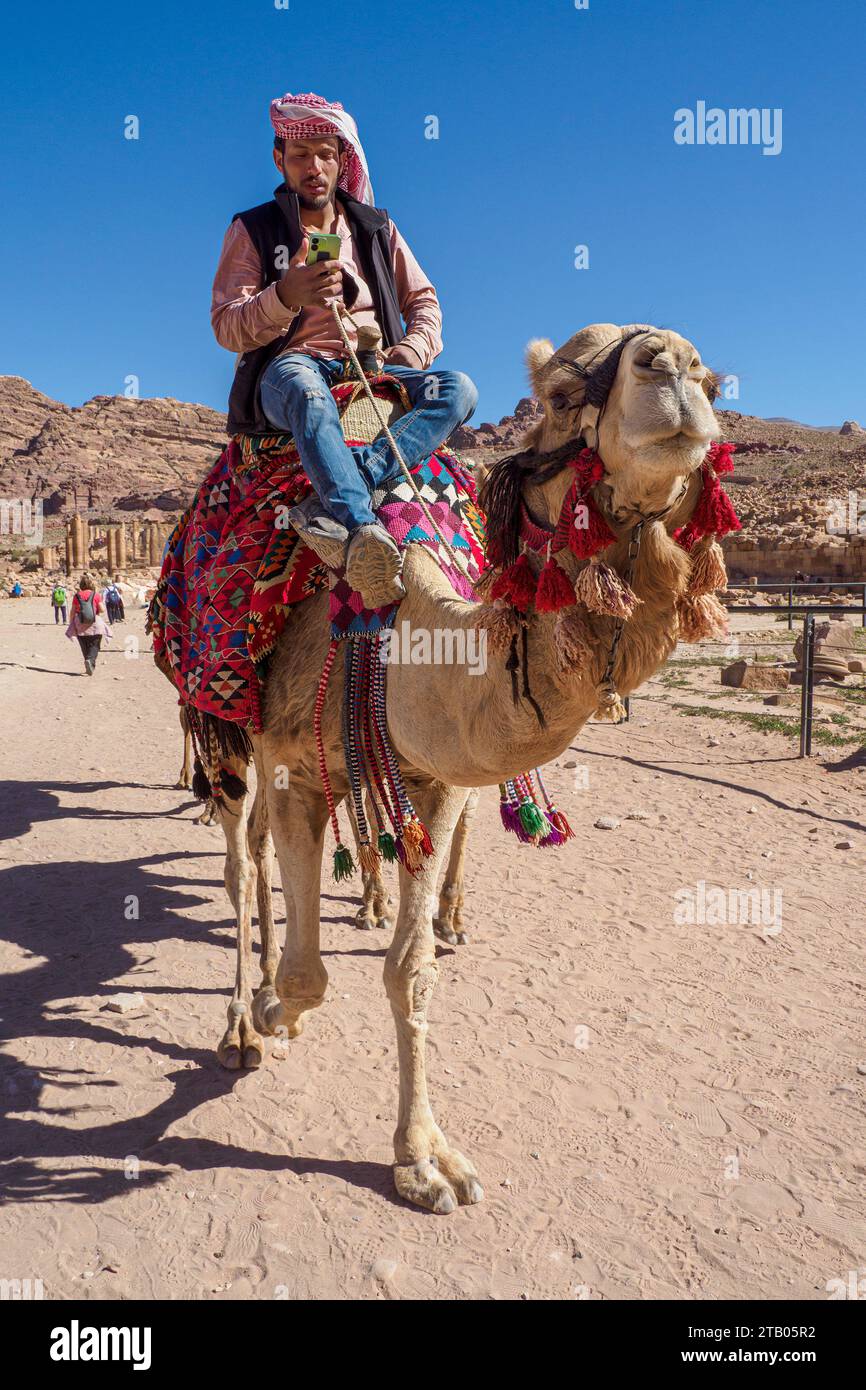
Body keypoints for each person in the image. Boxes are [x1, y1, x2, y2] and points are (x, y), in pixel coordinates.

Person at [211, 90, 478, 608]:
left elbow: (423, 300)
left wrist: (413, 352)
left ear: (342, 158)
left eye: (326, 154)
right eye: (300, 155)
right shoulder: (254, 229)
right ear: (279, 160)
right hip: (290, 368)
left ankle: (351, 479)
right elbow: (227, 326)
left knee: (458, 389)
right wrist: (286, 296)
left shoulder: (376, 229)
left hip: (376, 368)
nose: (314, 167)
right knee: (308, 394)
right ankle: (360, 529)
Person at [66, 572, 113, 675]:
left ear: (81, 585)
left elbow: (72, 611)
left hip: (80, 623)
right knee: (95, 644)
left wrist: (72, 622)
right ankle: (90, 661)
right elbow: (102, 610)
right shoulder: (95, 595)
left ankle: (88, 661)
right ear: (92, 585)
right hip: (94, 622)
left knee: (84, 644)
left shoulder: (77, 595)